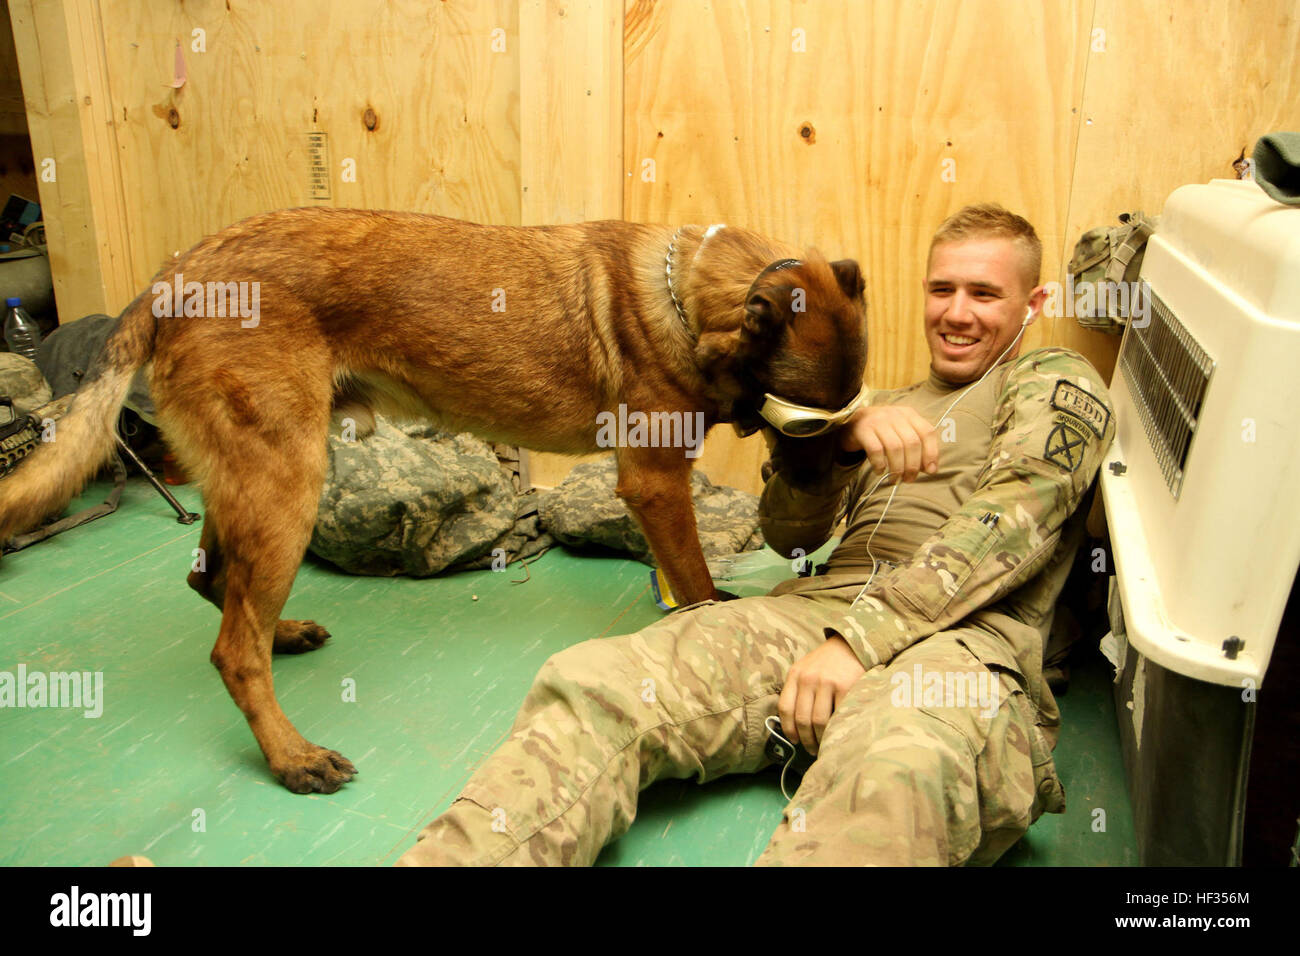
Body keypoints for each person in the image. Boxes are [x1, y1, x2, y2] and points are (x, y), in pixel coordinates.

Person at [397, 203, 1115, 866]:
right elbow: (786, 538)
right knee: (599, 683)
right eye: (942, 290)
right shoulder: (879, 405)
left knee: (897, 772)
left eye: (984, 294)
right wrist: (832, 445)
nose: (957, 313)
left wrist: (859, 645)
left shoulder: (1054, 378)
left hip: (959, 642)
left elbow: (1016, 521)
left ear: (1036, 303)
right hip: (818, 612)